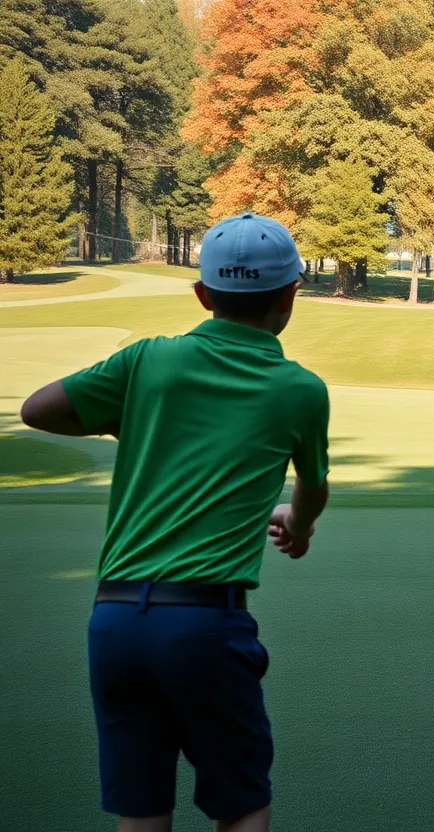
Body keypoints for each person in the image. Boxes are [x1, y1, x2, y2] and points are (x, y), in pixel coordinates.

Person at [20, 212, 331, 831]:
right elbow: (313, 488)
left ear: (203, 295)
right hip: (205, 626)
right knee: (241, 804)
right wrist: (295, 524)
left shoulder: (147, 361)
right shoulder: (300, 389)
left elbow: (38, 409)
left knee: (141, 809)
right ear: (291, 294)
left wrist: (133, 421)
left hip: (115, 624)